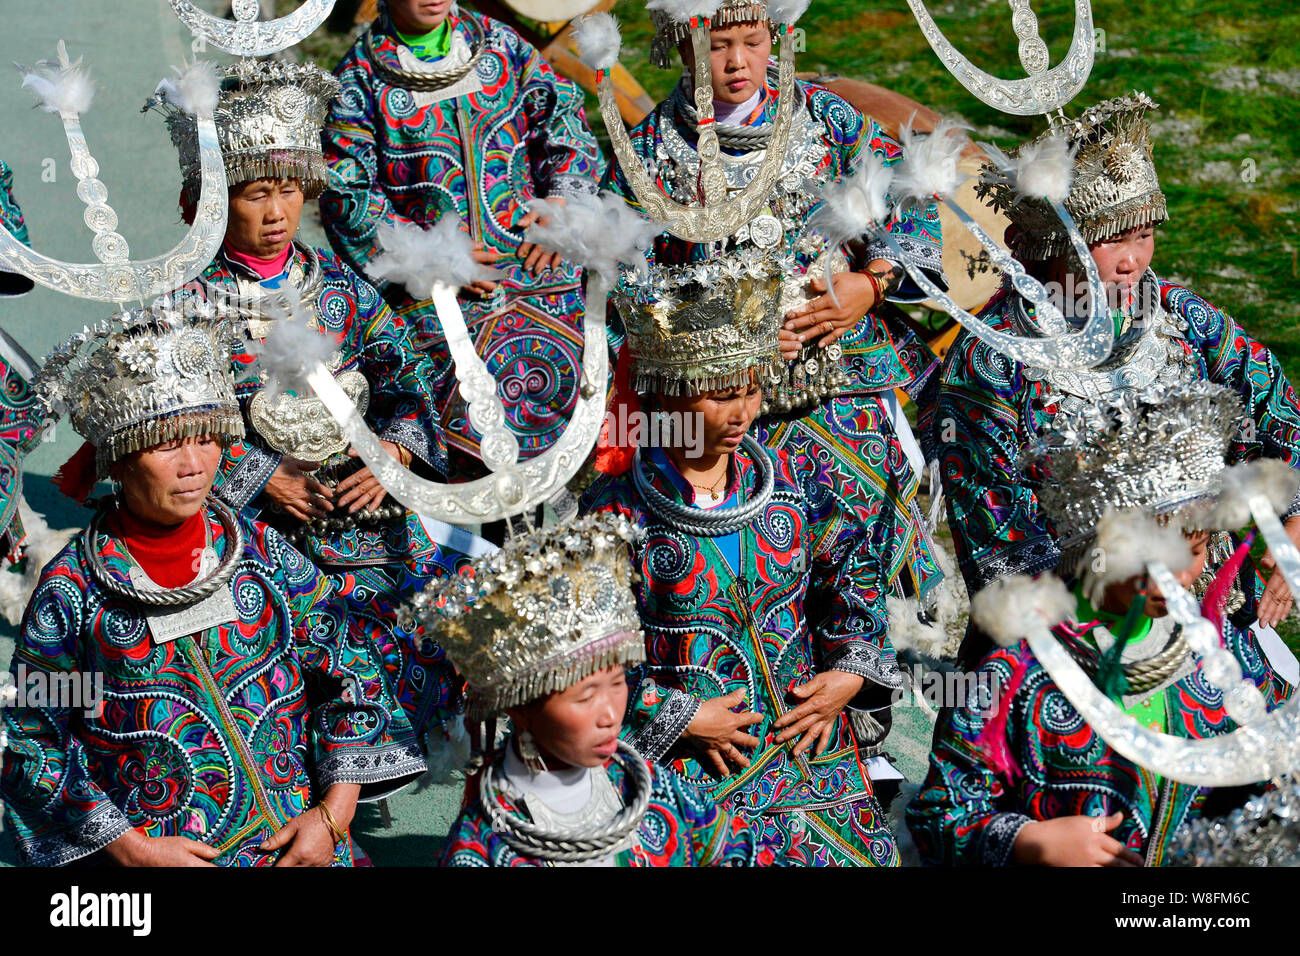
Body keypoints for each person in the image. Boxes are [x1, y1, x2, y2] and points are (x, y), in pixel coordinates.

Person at [1, 308, 425, 866]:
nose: (194, 465)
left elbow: (354, 672)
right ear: (119, 461)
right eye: (166, 444)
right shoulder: (73, 595)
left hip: (305, 849)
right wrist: (132, 850)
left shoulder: (264, 557)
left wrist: (332, 815)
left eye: (207, 438)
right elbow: (37, 733)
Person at [149, 58, 467, 741]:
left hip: (366, 522)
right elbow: (165, 430)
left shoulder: (346, 292)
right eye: (255, 192)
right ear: (215, 197)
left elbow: (406, 386)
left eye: (290, 190)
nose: (275, 212)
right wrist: (263, 478)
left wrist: (393, 452)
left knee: (399, 639)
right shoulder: (187, 308)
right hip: (251, 532)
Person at [600, 0, 947, 608]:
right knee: (752, 583)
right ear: (680, 46)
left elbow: (910, 198)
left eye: (754, 41)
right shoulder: (647, 152)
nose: (738, 62)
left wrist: (873, 283)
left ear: (777, 38)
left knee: (858, 568)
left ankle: (857, 686)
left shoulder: (826, 120)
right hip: (720, 414)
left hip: (838, 383)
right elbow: (624, 293)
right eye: (717, 45)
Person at [935, 92, 1300, 664]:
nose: (1133, 260)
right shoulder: (995, 362)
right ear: (1058, 239)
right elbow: (999, 540)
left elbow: (1279, 411)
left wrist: (1291, 526)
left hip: (1212, 614)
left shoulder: (1181, 319)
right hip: (1070, 636)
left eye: (1143, 234)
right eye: (1109, 238)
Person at [581, 253, 902, 866]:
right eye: (722, 397)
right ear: (669, 396)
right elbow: (592, 658)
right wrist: (681, 716)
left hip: (812, 767)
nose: (743, 414)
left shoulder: (794, 480)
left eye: (752, 390)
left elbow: (853, 581)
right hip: (687, 777)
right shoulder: (617, 515)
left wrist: (850, 672)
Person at [908, 382, 1293, 866]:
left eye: (1192, 553)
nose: (1173, 576)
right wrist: (1029, 843)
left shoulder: (1222, 655)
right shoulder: (1015, 671)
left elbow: (1263, 768)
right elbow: (940, 815)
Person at [320, 0, 604, 477]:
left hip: (538, 263)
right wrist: (426, 253)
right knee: (462, 405)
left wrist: (561, 208)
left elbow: (566, 124)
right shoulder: (359, 78)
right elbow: (345, 190)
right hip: (434, 288)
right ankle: (478, 536)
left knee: (594, 359)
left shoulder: (503, 46)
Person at [431, 513, 779, 866]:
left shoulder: (651, 788)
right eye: (585, 697)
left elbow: (740, 850)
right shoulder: (481, 850)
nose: (611, 715)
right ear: (519, 707)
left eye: (617, 684)